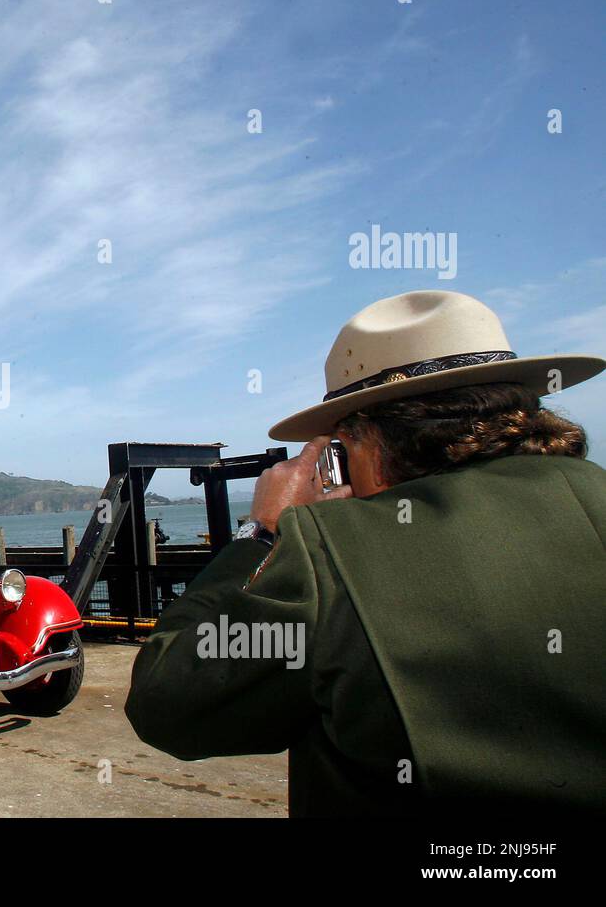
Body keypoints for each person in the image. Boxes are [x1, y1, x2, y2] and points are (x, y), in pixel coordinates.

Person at [125, 290, 606, 816]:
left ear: (367, 440)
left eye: (340, 448)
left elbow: (165, 700)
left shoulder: (332, 554)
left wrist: (262, 531)